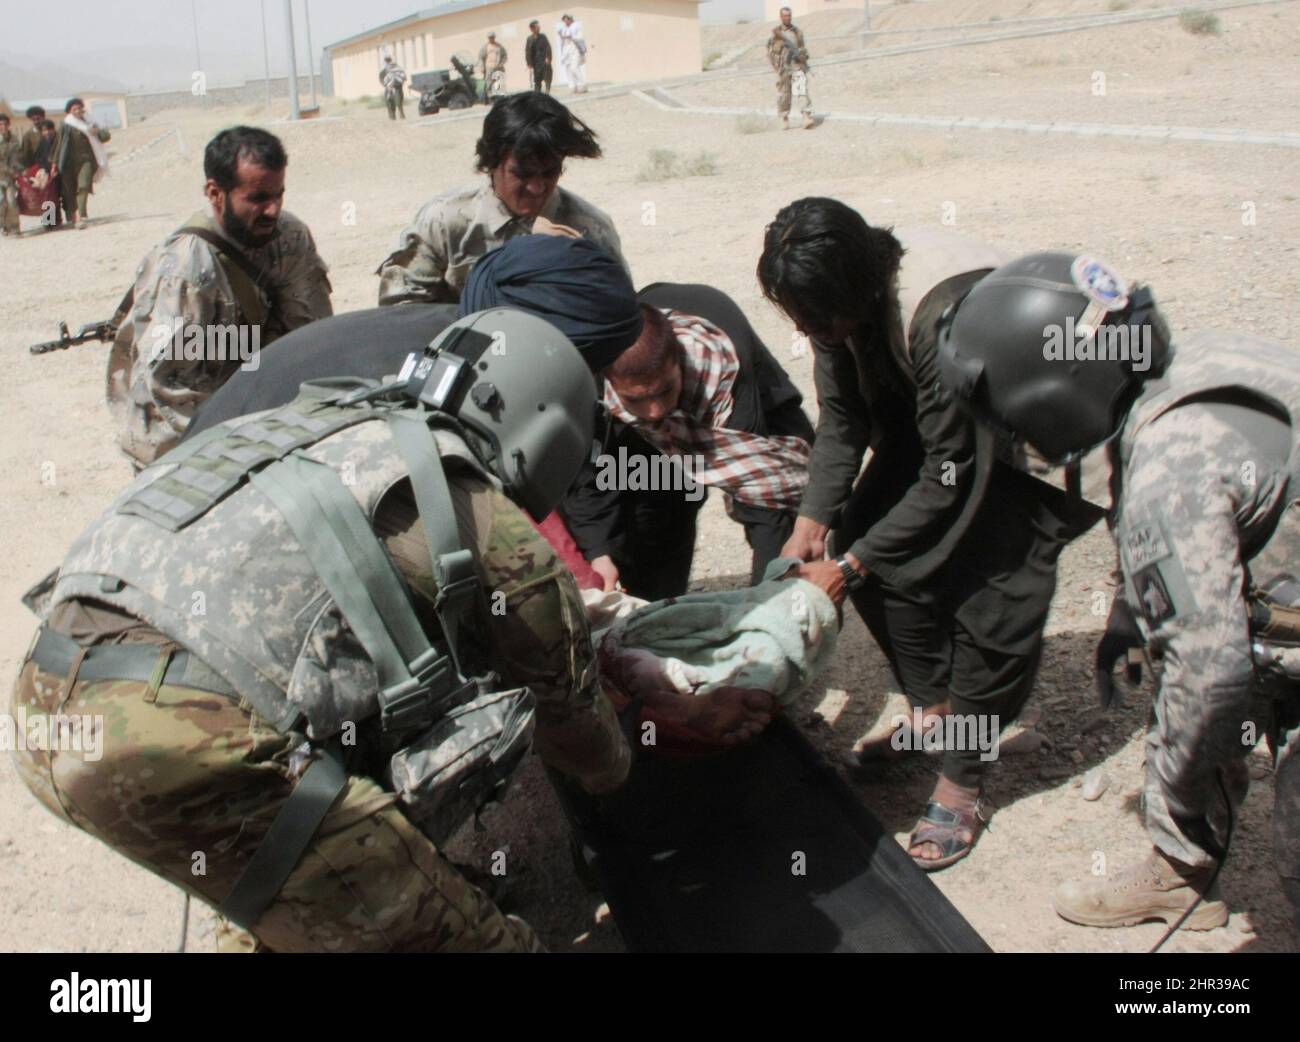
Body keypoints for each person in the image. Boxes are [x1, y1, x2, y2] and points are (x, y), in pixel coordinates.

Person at [12, 308, 632, 952]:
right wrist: (626, 764)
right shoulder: (479, 513)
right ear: (549, 431)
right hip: (174, 740)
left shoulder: (314, 419)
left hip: (49, 691)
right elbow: (578, 728)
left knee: (289, 892)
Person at [937, 251, 1300, 932]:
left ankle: (1186, 848)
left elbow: (1211, 676)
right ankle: (1182, 871)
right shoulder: (1197, 365)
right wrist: (1134, 614)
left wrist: (1173, 784)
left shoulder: (1169, 469)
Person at [760, 199, 1101, 871]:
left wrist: (849, 567)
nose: (804, 331)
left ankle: (963, 780)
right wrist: (814, 520)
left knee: (990, 598)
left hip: (1034, 440)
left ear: (855, 291)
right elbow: (843, 419)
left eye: (814, 320)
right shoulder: (836, 312)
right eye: (795, 317)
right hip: (952, 434)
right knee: (868, 528)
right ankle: (937, 712)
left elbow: (950, 478)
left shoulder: (943, 318)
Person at [554, 284, 815, 600]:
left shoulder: (721, 371)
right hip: (640, 444)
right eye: (638, 399)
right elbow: (589, 475)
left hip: (745, 412)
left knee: (786, 548)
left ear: (680, 363)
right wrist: (600, 551)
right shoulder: (595, 382)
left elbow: (762, 495)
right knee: (649, 520)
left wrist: (769, 600)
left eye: (664, 391)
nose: (655, 410)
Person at [106, 125, 332, 468]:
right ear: (215, 193)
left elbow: (312, 336)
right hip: (185, 440)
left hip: (257, 410)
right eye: (258, 199)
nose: (272, 210)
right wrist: (247, 448)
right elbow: (168, 394)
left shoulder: (290, 237)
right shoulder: (186, 268)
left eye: (279, 195)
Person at [376, 91, 626, 306]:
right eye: (523, 174)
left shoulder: (590, 229)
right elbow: (401, 314)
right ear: (491, 163)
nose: (537, 188)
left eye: (550, 173)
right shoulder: (443, 223)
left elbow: (618, 312)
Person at [53, 97, 110, 227]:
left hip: (87, 160)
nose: (78, 110)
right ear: (69, 111)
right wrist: (55, 163)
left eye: (79, 108)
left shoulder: (90, 122)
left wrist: (97, 131)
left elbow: (106, 137)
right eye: (75, 109)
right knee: (70, 189)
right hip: (70, 163)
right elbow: (59, 145)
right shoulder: (66, 125)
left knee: (83, 186)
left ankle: (82, 215)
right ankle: (72, 216)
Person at [768, 7, 814, 131]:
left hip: (796, 66)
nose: (787, 18)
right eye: (785, 16)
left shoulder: (797, 32)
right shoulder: (776, 33)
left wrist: (801, 55)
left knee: (801, 91)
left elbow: (803, 47)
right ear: (781, 17)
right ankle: (784, 119)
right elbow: (770, 52)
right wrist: (776, 67)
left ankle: (806, 117)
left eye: (789, 15)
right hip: (783, 68)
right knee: (784, 94)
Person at [0, 114, 22, 237]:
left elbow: (15, 157)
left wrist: (19, 170)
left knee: (11, 201)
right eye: (0, 125)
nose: (3, 127)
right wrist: (10, 171)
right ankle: (3, 226)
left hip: (9, 177)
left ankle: (14, 227)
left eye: (5, 124)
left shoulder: (13, 139)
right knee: (1, 202)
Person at [556, 14, 588, 94]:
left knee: (574, 67)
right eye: (564, 21)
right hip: (566, 49)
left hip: (575, 48)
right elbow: (562, 39)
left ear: (570, 19)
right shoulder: (564, 28)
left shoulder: (576, 26)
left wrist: (571, 37)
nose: (565, 22)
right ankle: (572, 86)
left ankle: (582, 85)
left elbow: (580, 37)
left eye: (566, 20)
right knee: (568, 69)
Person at [526, 20, 553, 93]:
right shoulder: (529, 39)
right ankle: (537, 94)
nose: (538, 28)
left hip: (544, 61)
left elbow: (548, 47)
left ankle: (547, 92)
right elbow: (528, 51)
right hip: (536, 62)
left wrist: (548, 57)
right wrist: (529, 63)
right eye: (537, 27)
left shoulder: (543, 37)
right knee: (537, 79)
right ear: (532, 29)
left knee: (547, 77)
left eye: (539, 27)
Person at [479, 31, 509, 100]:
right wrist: (482, 67)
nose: (491, 38)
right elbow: (481, 58)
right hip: (489, 67)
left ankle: (499, 97)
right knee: (489, 82)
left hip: (498, 67)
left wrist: (501, 64)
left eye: (492, 37)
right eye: (490, 37)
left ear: (494, 37)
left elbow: (505, 56)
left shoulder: (499, 46)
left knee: (498, 82)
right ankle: (489, 98)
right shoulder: (485, 47)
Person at [379, 55, 408, 120]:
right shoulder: (397, 67)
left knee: (392, 102)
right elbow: (402, 76)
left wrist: (386, 84)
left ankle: (393, 116)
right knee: (395, 102)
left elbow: (381, 77)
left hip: (393, 87)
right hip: (396, 86)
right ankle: (398, 115)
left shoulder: (386, 68)